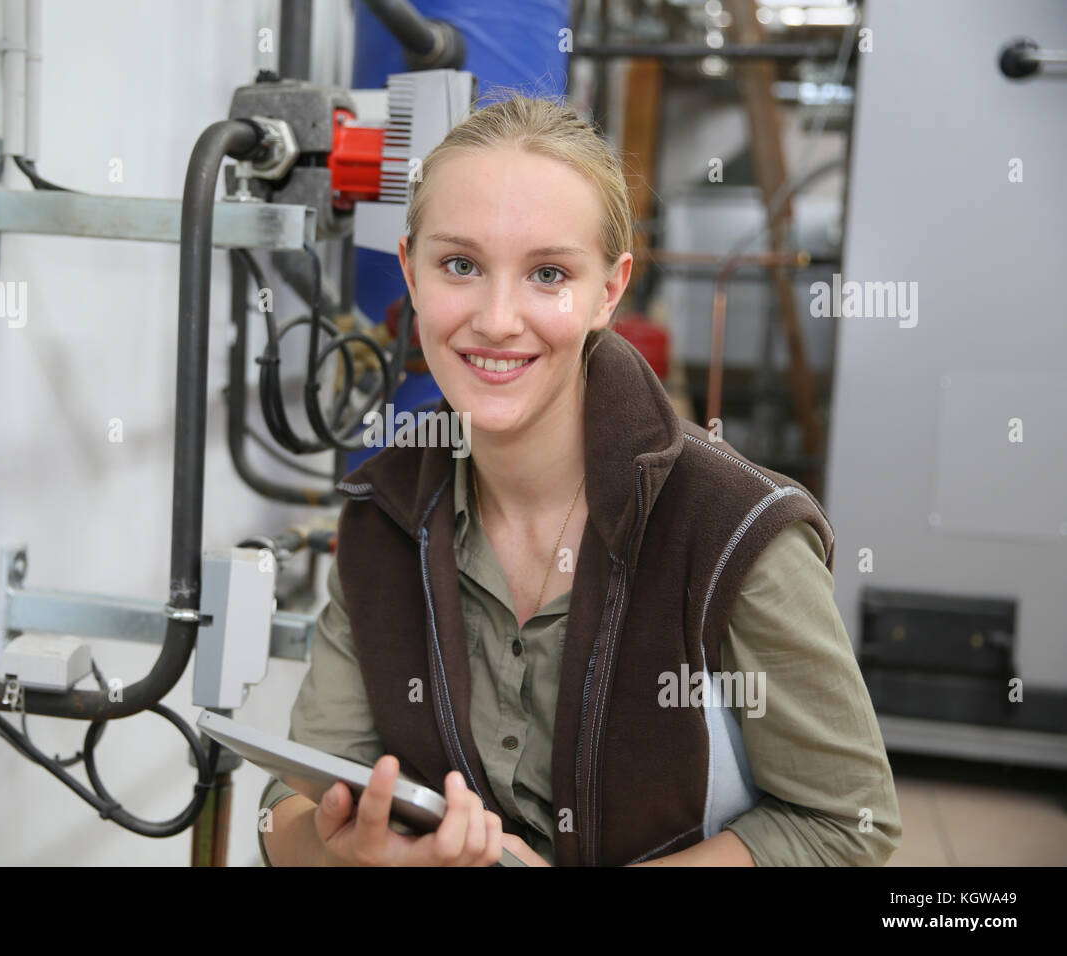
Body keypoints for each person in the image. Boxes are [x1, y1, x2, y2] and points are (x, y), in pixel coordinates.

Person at [257, 91, 901, 867]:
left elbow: (846, 826)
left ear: (609, 291)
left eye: (548, 273)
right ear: (411, 275)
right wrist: (359, 856)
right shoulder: (382, 517)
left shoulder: (733, 528)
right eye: (460, 265)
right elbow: (288, 810)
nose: (497, 319)